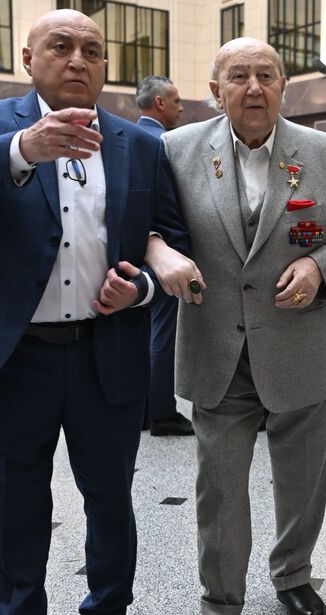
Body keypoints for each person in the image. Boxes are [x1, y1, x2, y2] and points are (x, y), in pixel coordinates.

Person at [0, 9, 189, 615]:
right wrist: (25, 147)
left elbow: (170, 237)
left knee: (110, 500)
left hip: (107, 352)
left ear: (105, 66)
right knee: (11, 506)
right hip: (13, 356)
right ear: (28, 59)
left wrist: (141, 289)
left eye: (92, 50)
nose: (78, 59)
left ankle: (108, 614)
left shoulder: (140, 145)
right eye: (61, 46)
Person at [143, 37, 326, 615]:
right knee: (219, 488)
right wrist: (157, 251)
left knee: (302, 481)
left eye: (267, 75)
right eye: (239, 76)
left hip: (302, 346)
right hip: (216, 347)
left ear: (283, 86)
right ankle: (220, 603)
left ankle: (294, 576)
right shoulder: (175, 150)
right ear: (215, 90)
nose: (254, 87)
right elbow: (148, 225)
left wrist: (321, 267)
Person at [135, 74, 194, 437]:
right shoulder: (164, 143)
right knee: (163, 332)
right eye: (176, 101)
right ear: (159, 103)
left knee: (145, 333)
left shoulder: (126, 137)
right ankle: (161, 411)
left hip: (133, 251)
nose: (181, 108)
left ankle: (144, 408)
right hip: (166, 252)